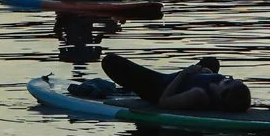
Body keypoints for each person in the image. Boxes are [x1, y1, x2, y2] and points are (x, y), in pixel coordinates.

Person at [101, 51, 250, 113]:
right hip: (183, 78)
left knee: (110, 61)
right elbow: (213, 79)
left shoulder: (198, 95)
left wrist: (184, 73)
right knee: (212, 62)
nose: (226, 79)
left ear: (223, 93)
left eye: (228, 81)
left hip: (158, 86)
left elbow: (164, 102)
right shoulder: (219, 85)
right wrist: (206, 73)